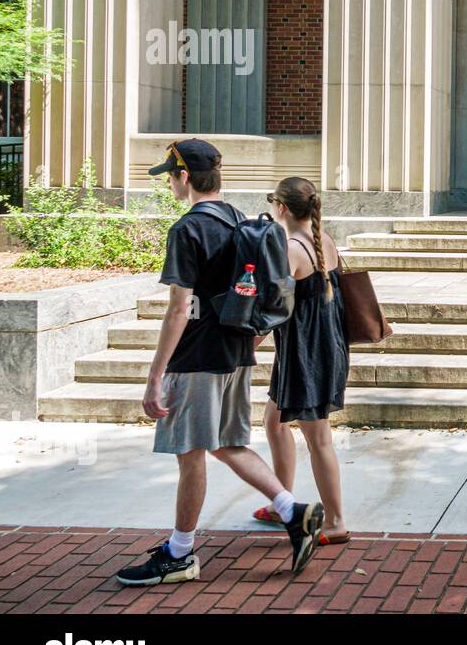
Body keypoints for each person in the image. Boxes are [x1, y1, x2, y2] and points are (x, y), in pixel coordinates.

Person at [117, 140, 324, 586]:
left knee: (190, 454)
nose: (170, 184)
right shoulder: (238, 220)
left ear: (184, 177)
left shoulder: (187, 229)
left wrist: (155, 377)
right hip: (236, 352)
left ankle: (180, 552)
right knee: (226, 443)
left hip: (195, 357)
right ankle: (294, 511)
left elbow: (178, 308)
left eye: (170, 176)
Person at [251, 176, 350, 546]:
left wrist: (247, 346)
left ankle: (337, 521)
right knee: (274, 422)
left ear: (282, 208)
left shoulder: (290, 248)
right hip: (323, 349)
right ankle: (283, 503)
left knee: (318, 438)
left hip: (308, 357)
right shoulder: (323, 240)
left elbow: (272, 310)